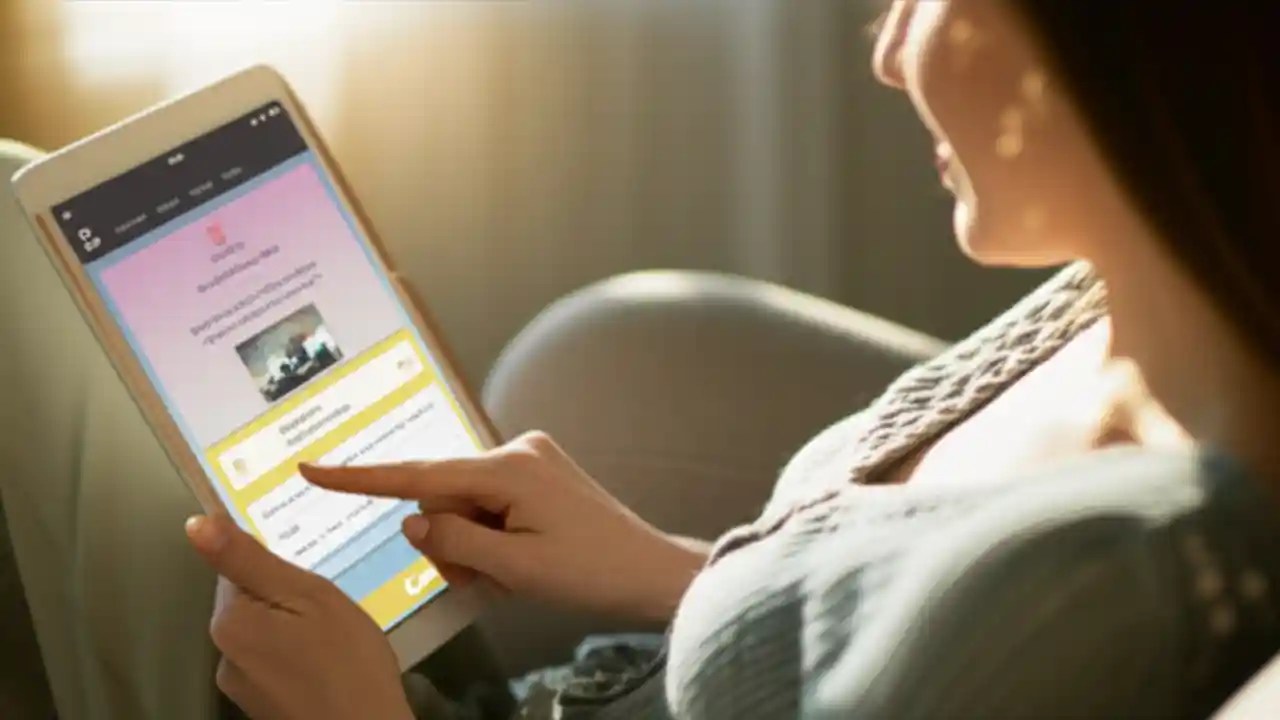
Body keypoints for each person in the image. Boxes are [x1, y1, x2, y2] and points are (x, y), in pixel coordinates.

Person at [185, 1, 1280, 718]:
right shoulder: (1136, 276)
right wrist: (673, 571)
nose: (889, 54)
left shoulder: (1102, 592)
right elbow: (866, 605)